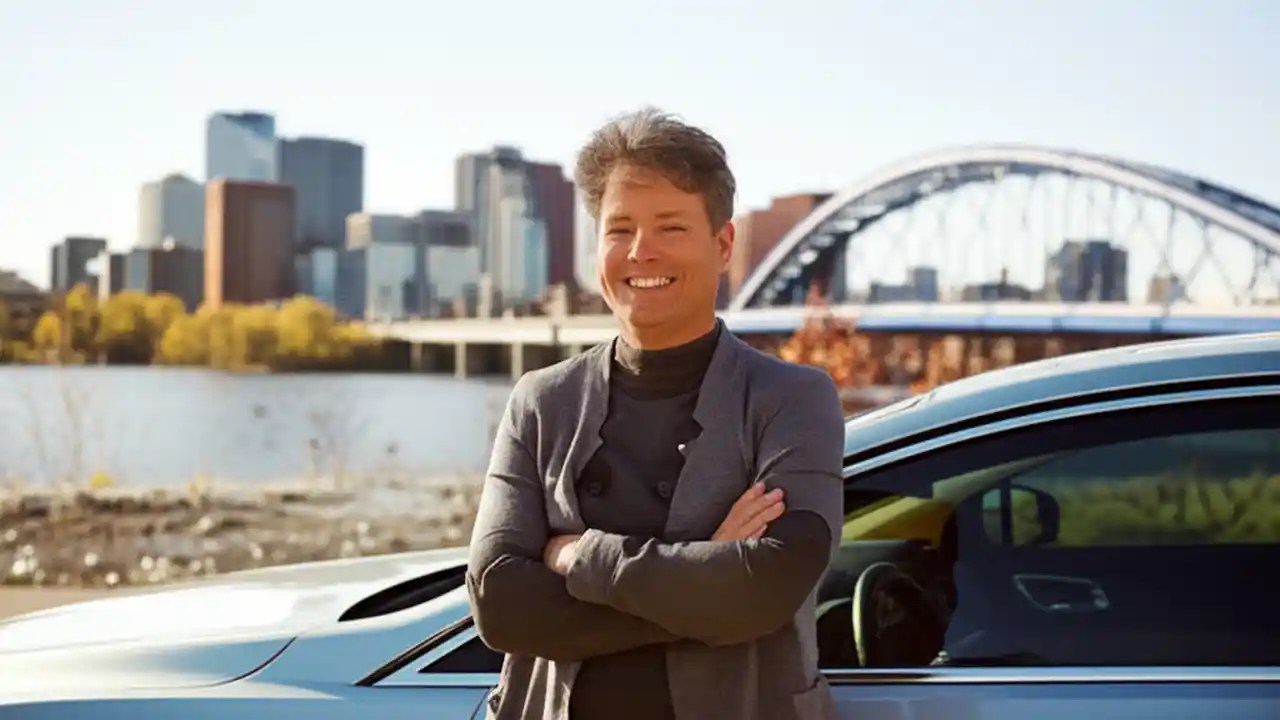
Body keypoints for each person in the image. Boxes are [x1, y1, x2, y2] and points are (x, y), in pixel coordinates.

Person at [466, 107, 844, 720]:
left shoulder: (792, 398)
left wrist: (578, 555)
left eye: (671, 227)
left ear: (722, 246)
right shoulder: (542, 402)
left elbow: (767, 587)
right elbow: (499, 602)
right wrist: (704, 578)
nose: (642, 252)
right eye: (619, 230)